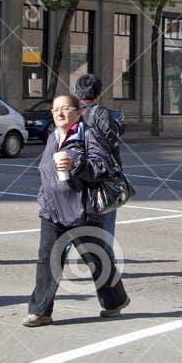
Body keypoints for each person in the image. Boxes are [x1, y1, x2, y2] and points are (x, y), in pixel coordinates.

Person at [25, 94, 129, 327]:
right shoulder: (53, 136)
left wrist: (76, 165)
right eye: (55, 110)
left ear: (78, 111)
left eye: (65, 109)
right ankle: (40, 312)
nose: (59, 114)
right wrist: (44, 195)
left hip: (81, 210)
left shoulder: (88, 134)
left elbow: (101, 167)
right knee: (47, 259)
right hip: (52, 210)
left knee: (95, 257)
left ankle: (115, 300)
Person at [75, 73, 125, 247]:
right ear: (98, 94)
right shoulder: (101, 113)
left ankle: (59, 260)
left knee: (71, 221)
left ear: (77, 91)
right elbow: (112, 143)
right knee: (106, 222)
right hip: (100, 175)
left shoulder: (70, 112)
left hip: (75, 174)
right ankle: (106, 264)